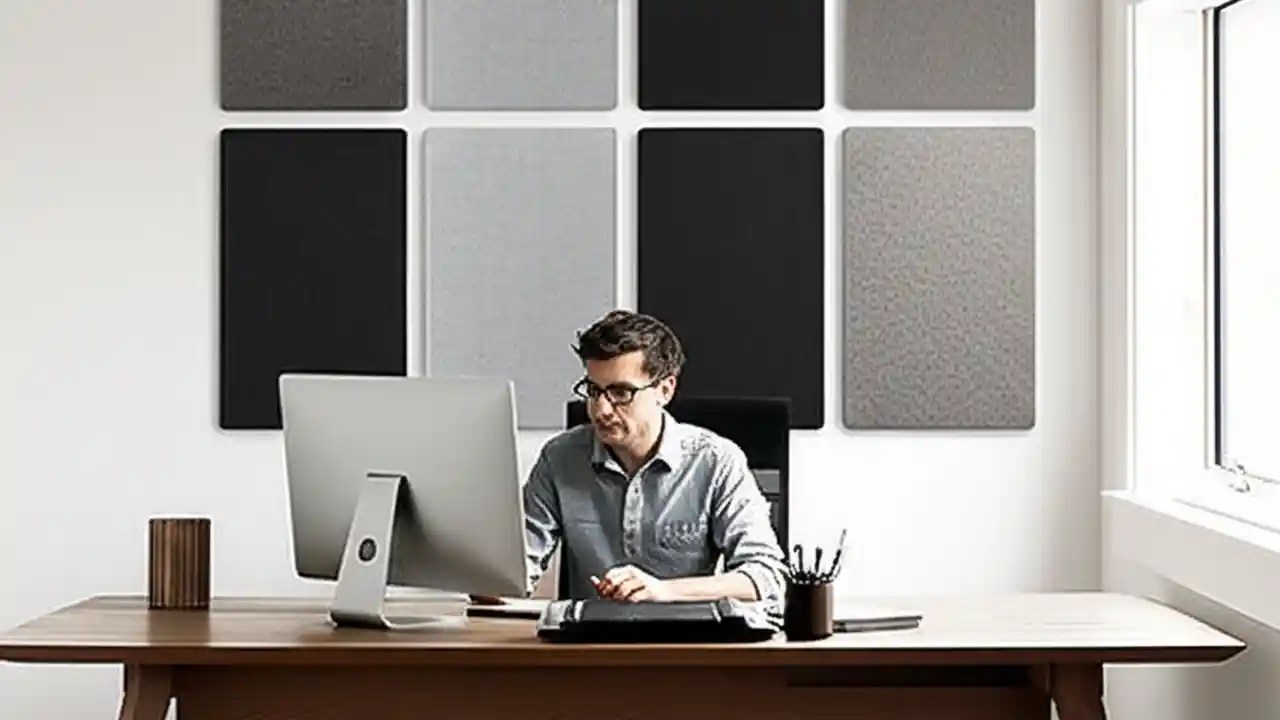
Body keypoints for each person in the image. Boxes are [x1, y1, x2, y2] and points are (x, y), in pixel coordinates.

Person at [518, 310, 787, 604]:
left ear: (665, 390)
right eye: (594, 391)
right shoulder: (559, 458)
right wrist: (490, 580)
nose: (601, 409)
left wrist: (666, 590)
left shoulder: (716, 461)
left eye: (621, 392)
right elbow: (517, 569)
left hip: (686, 642)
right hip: (589, 642)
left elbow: (766, 576)